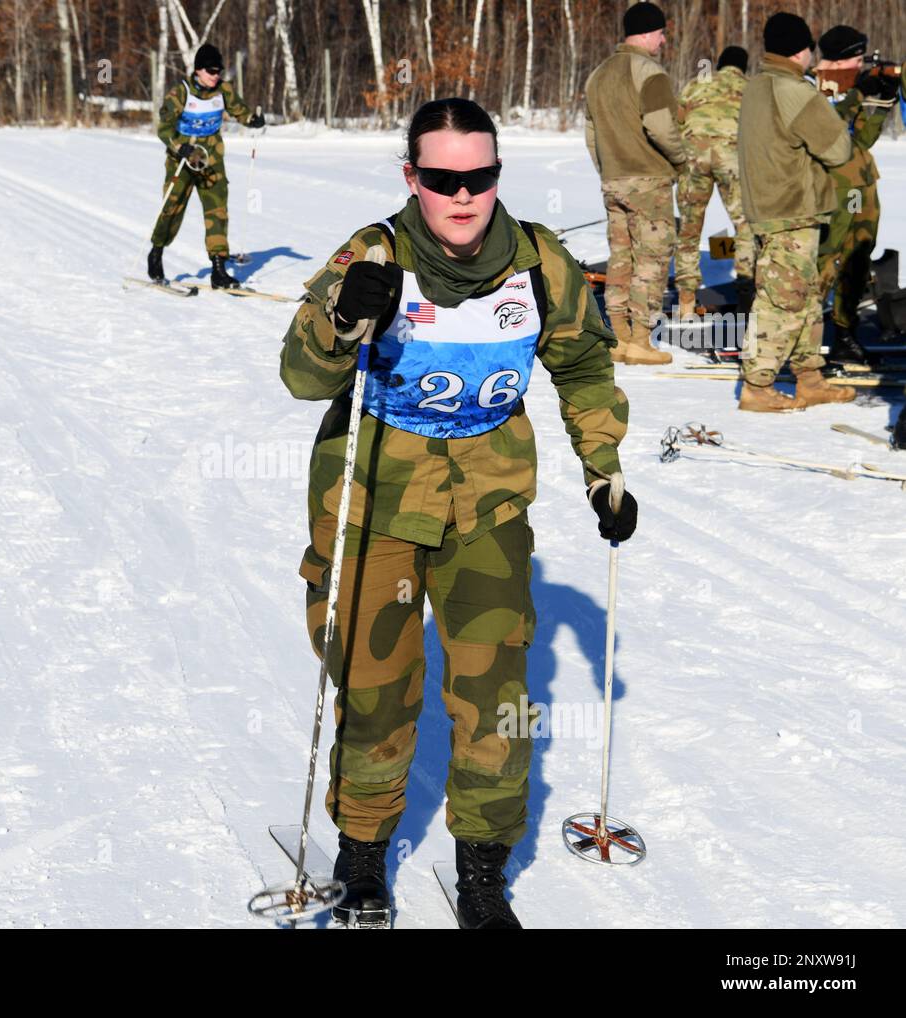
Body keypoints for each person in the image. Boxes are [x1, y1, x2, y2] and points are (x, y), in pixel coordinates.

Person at [279, 98, 635, 930]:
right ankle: (362, 852)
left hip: (488, 502)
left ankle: (483, 866)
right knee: (375, 689)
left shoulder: (538, 263)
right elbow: (301, 377)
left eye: (479, 177)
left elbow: (583, 364)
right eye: (442, 179)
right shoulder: (373, 256)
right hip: (375, 500)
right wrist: (342, 321)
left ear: (497, 175)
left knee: (495, 694)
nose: (462, 195)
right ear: (413, 178)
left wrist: (603, 472)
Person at [737, 12, 854, 411]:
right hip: (792, 211)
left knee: (803, 297)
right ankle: (757, 384)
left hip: (769, 207)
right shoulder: (796, 91)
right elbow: (838, 150)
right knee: (780, 300)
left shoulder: (755, 86)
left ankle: (809, 378)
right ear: (802, 51)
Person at [583, 2, 686, 365]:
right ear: (646, 33)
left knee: (620, 257)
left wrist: (607, 169)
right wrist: (681, 158)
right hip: (649, 180)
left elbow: (591, 134)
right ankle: (641, 339)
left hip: (613, 180)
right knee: (652, 259)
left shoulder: (597, 75)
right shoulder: (649, 72)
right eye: (660, 33)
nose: (662, 40)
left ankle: (619, 338)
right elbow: (661, 126)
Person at [813, 25, 898, 364]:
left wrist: (881, 102)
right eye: (857, 58)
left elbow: (861, 140)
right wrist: (858, 95)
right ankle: (800, 331)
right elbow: (824, 129)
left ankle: (845, 332)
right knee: (826, 258)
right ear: (839, 59)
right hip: (832, 187)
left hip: (861, 185)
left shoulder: (851, 88)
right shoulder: (810, 87)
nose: (861, 65)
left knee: (857, 259)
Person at [148, 43, 264, 290]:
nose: (216, 76)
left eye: (219, 71)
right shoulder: (181, 93)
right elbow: (164, 128)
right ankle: (156, 252)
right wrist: (180, 147)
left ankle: (218, 269)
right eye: (211, 71)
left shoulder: (223, 91)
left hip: (211, 162)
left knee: (217, 212)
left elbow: (240, 111)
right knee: (172, 209)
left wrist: (253, 120)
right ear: (198, 70)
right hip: (182, 161)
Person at [674, 46, 754, 318]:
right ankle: (746, 291)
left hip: (693, 155)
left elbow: (677, 118)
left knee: (688, 228)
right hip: (732, 157)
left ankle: (685, 300)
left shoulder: (698, 84)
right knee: (744, 224)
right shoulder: (749, 87)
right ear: (743, 67)